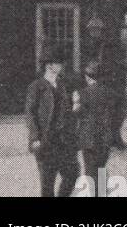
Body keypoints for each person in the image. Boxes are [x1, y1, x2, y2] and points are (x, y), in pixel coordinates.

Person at [24, 45, 79, 198]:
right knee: (47, 184)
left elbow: (71, 111)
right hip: (45, 141)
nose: (62, 65)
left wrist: (75, 106)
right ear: (49, 65)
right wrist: (35, 137)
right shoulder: (36, 87)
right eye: (59, 62)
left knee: (72, 174)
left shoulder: (65, 86)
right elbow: (30, 114)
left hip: (64, 141)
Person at [75, 60, 115, 195]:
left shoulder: (82, 93)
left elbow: (76, 113)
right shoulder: (110, 93)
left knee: (90, 172)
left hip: (88, 138)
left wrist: (76, 103)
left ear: (87, 77)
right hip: (105, 137)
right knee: (101, 169)